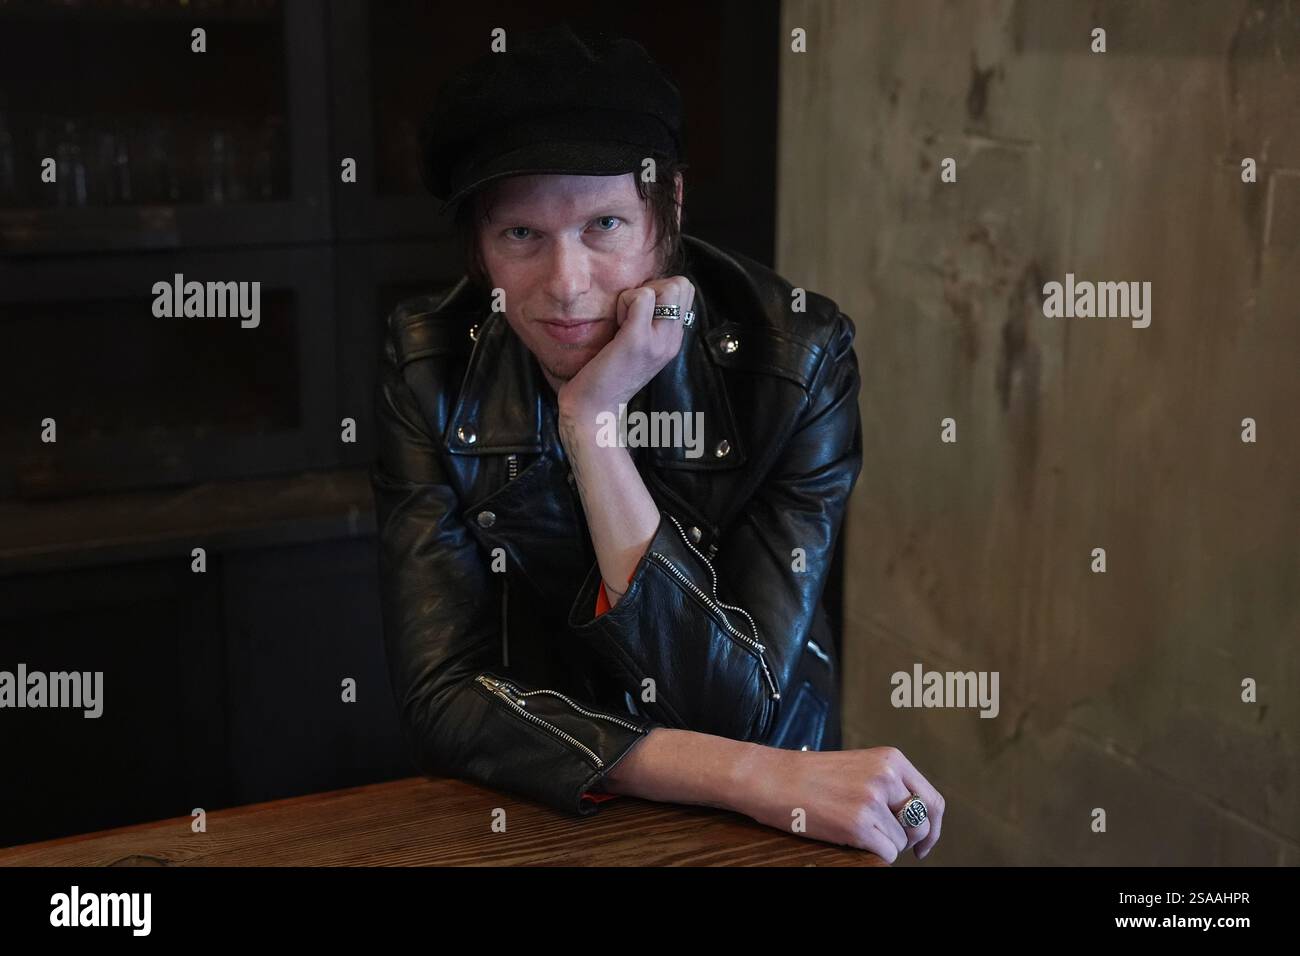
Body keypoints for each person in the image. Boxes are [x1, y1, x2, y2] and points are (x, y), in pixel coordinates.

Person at [370, 23, 944, 862]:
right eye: (520, 235)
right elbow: (444, 701)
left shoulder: (796, 360)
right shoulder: (426, 365)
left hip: (765, 832)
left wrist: (593, 431)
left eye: (603, 223)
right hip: (544, 817)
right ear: (479, 250)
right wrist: (745, 775)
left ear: (665, 211)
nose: (566, 286)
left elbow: (730, 705)